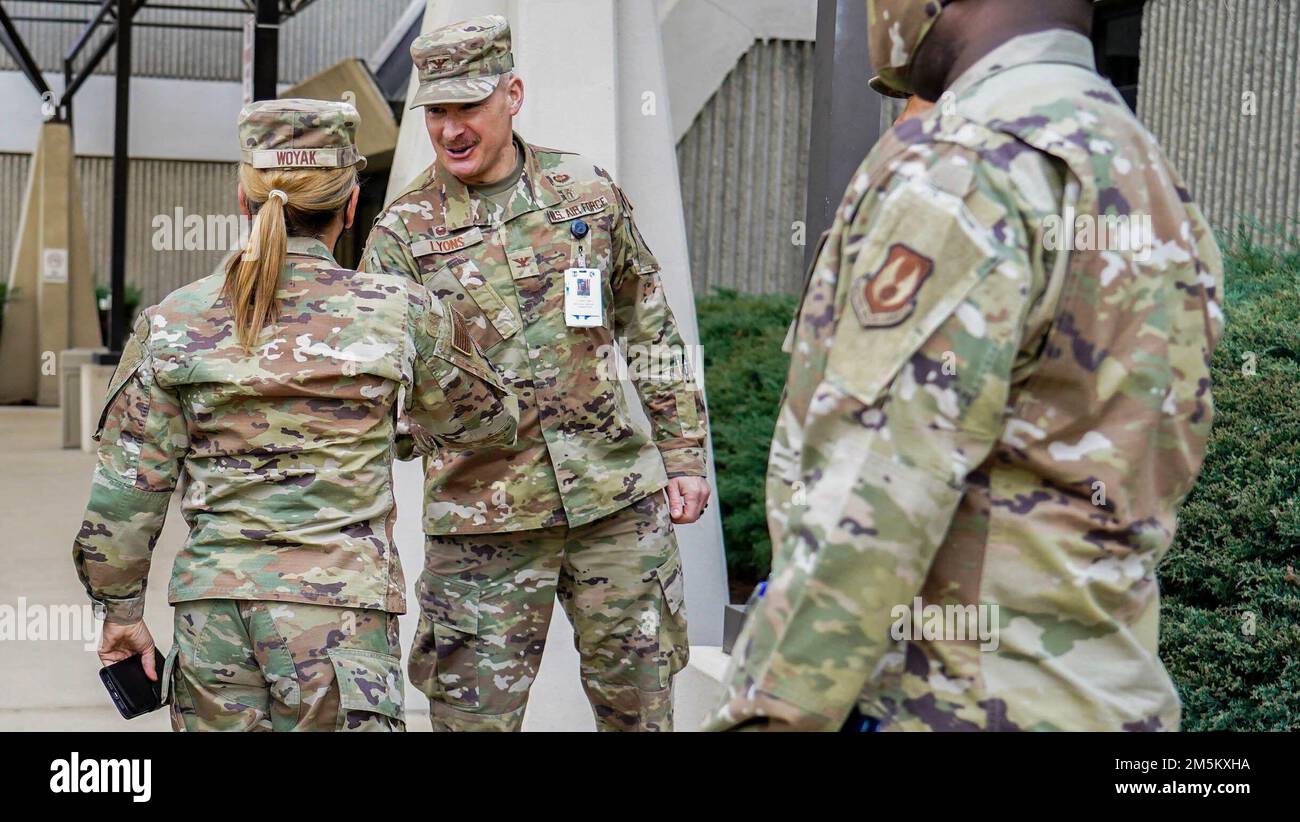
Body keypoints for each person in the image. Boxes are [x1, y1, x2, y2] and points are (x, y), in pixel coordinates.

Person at [707, 0, 1224, 731]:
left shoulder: (969, 162)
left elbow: (874, 498)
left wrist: (763, 716)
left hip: (950, 705)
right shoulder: (1152, 181)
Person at [74, 98, 518, 732]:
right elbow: (488, 422)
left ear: (242, 199)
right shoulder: (399, 312)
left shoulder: (175, 320)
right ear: (351, 205)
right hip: (340, 621)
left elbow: (124, 495)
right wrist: (396, 422)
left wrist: (120, 612)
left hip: (214, 622)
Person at [361, 14, 711, 732]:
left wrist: (682, 455)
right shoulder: (403, 236)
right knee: (472, 723)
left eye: (469, 107)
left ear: (512, 95)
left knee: (644, 713)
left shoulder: (584, 191)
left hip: (614, 506)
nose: (451, 129)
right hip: (480, 526)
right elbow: (375, 390)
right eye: (438, 111)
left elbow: (649, 325)